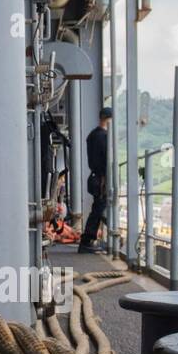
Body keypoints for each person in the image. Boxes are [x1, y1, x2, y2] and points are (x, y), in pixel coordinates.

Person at [78, 107, 112, 253]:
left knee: (98, 207)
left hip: (94, 177)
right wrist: (106, 178)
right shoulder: (104, 136)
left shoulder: (92, 135)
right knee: (99, 208)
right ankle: (86, 241)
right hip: (101, 179)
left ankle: (89, 240)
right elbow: (105, 159)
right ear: (108, 119)